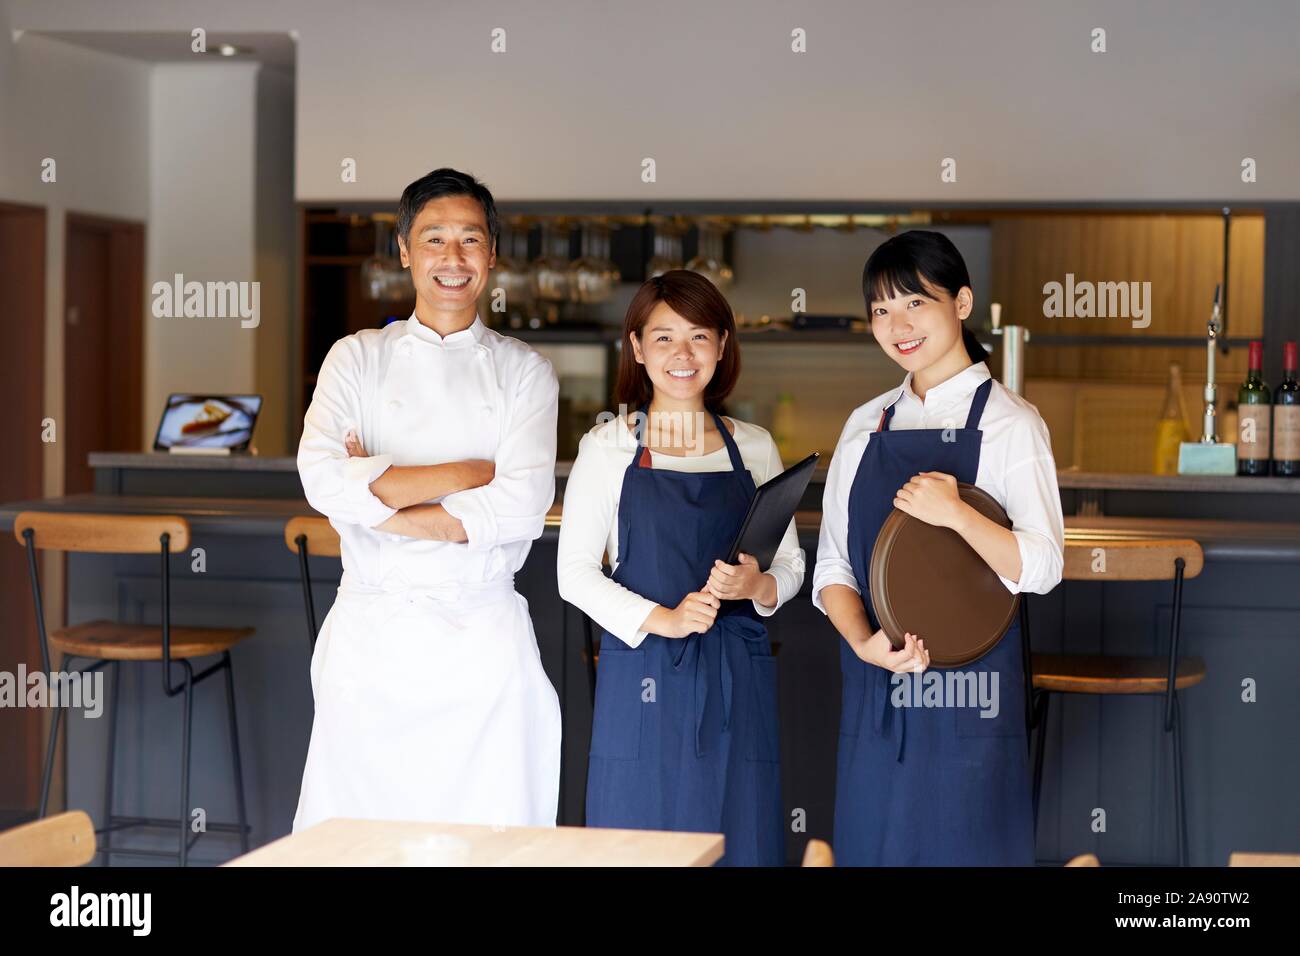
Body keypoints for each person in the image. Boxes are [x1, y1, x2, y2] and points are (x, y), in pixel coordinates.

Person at [293, 168, 561, 831]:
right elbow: (323, 480)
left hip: (481, 644)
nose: (454, 258)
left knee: (488, 834)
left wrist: (377, 497)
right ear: (405, 250)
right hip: (371, 642)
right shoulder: (355, 357)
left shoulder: (525, 371)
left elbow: (522, 506)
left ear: (492, 255)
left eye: (470, 240)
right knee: (357, 838)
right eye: (434, 239)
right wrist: (467, 473)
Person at [814, 230, 1065, 865]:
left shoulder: (1012, 424)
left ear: (961, 303)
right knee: (874, 845)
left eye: (914, 304)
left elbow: (1043, 565)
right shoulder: (865, 424)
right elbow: (834, 565)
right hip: (876, 681)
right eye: (880, 310)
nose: (897, 325)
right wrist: (863, 642)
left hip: (971, 691)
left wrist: (955, 514)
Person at [557, 270, 805, 866]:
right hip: (644, 673)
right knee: (642, 838)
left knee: (739, 834)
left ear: (722, 345)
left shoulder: (754, 445)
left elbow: (792, 562)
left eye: (698, 336)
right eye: (663, 338)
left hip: (735, 674)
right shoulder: (609, 446)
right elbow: (574, 573)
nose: (682, 354)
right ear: (638, 348)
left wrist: (759, 584)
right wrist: (663, 618)